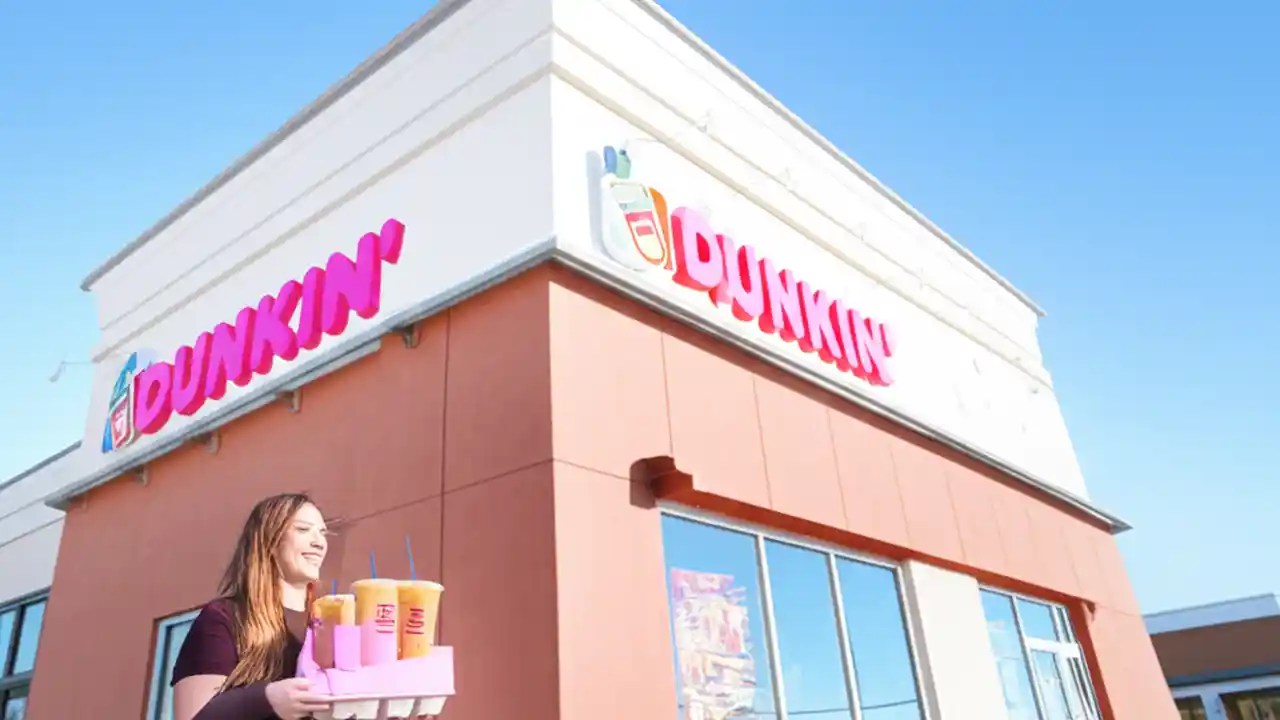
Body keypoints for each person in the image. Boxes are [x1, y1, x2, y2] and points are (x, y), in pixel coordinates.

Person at [172, 493, 333, 720]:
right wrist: (267, 699)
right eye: (303, 530)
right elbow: (193, 715)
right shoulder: (225, 618)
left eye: (322, 533)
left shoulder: (329, 626)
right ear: (270, 540)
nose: (319, 542)